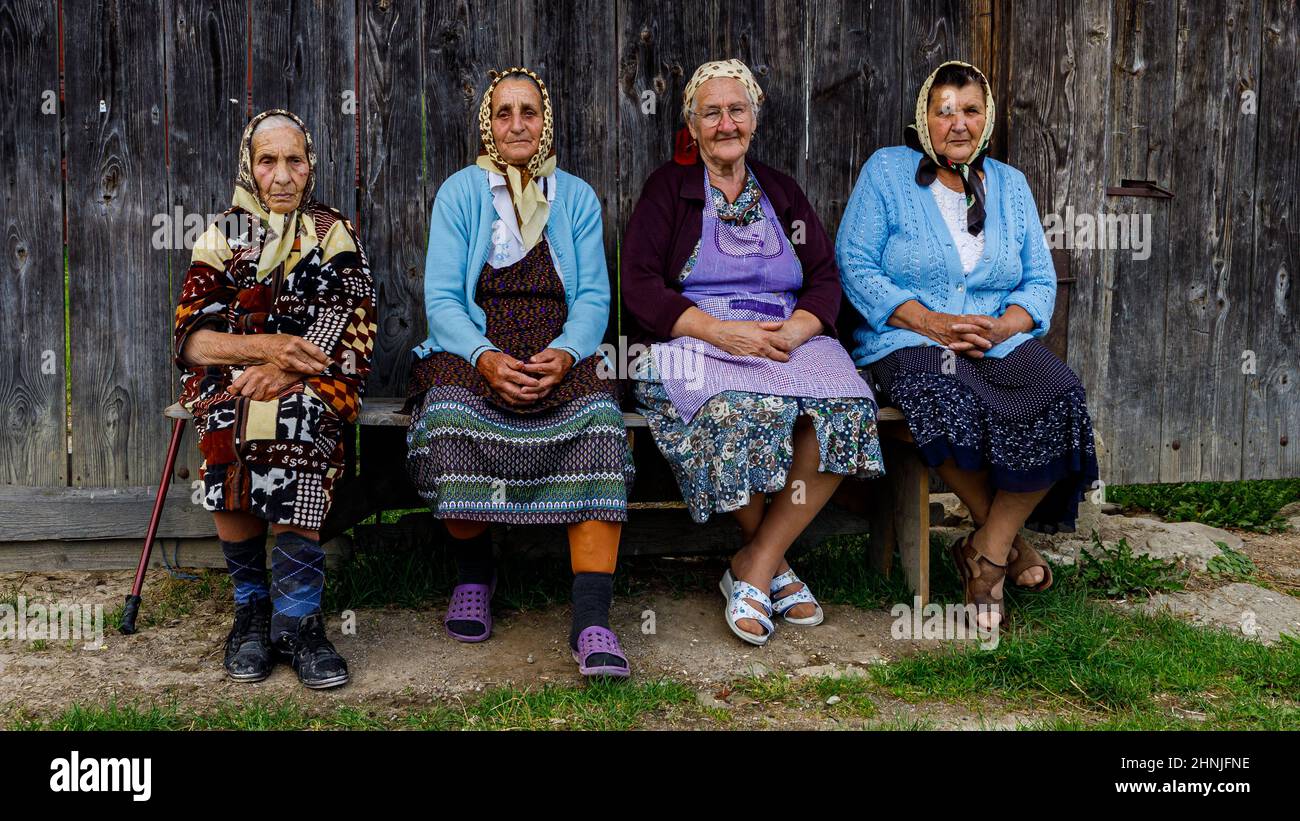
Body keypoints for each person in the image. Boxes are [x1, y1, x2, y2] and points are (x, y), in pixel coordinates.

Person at [621, 59, 883, 647]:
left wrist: (798, 330)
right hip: (695, 337)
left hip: (784, 333)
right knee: (739, 411)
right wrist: (717, 331)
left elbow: (823, 276)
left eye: (736, 110)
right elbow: (638, 283)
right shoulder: (669, 190)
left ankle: (757, 561)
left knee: (848, 405)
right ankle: (776, 568)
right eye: (711, 113)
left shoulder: (781, 191)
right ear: (692, 124)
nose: (725, 123)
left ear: (754, 117)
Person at [837, 61, 1099, 631]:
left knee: (1062, 392)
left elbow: (1039, 282)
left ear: (988, 120)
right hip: (906, 335)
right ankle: (1001, 548)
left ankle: (987, 547)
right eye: (944, 109)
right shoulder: (887, 172)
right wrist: (930, 321)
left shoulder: (1010, 184)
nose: (958, 122)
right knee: (942, 393)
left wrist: (1006, 326)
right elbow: (854, 264)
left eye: (971, 109)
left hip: (994, 337)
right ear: (923, 118)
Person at [404, 68, 635, 678]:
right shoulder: (460, 193)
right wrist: (483, 356)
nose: (516, 124)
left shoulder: (576, 197)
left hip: (558, 350)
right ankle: (475, 576)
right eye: (502, 113)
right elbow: (443, 300)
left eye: (528, 111)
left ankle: (591, 620)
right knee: (450, 422)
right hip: (475, 346)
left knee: (601, 426)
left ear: (545, 120)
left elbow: (592, 298)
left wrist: (567, 352)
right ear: (488, 123)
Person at [174, 108, 376, 688]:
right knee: (228, 421)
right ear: (250, 167)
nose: (282, 174)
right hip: (234, 375)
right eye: (269, 161)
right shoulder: (220, 237)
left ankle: (299, 619)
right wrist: (269, 350)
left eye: (294, 160)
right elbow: (192, 341)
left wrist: (289, 370)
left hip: (317, 376)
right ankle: (252, 611)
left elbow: (354, 321)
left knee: (296, 419)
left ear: (310, 167)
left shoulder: (334, 232)